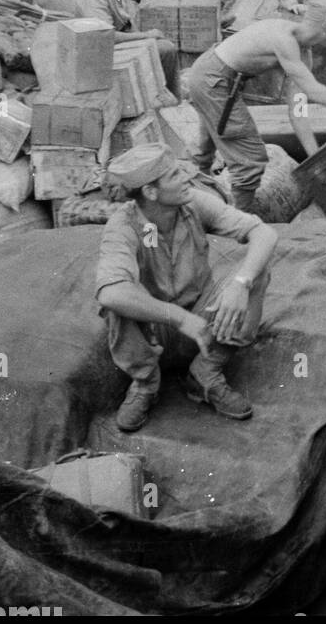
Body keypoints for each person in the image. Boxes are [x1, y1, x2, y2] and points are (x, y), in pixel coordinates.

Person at [96, 144, 280, 431]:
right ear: (151, 192)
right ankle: (146, 384)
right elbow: (111, 292)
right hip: (155, 329)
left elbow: (263, 233)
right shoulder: (122, 226)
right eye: (174, 176)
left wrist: (240, 284)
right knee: (116, 301)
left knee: (256, 272)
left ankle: (205, 373)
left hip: (204, 321)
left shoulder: (193, 202)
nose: (185, 179)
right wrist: (179, 317)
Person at [186, 0, 326, 210]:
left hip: (218, 80)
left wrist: (315, 158)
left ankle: (197, 206)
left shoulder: (303, 54)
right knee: (250, 161)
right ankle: (235, 223)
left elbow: (298, 111)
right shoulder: (284, 39)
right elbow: (314, 91)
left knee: (204, 153)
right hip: (212, 79)